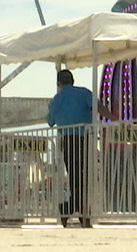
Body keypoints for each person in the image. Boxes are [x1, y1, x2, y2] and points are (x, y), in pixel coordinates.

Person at [47, 68, 112, 228]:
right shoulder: (84, 93)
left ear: (58, 83)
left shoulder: (56, 99)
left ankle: (72, 209)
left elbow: (50, 121)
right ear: (73, 80)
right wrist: (114, 119)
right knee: (85, 175)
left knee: (75, 176)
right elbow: (98, 107)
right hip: (84, 139)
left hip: (67, 140)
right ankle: (78, 211)